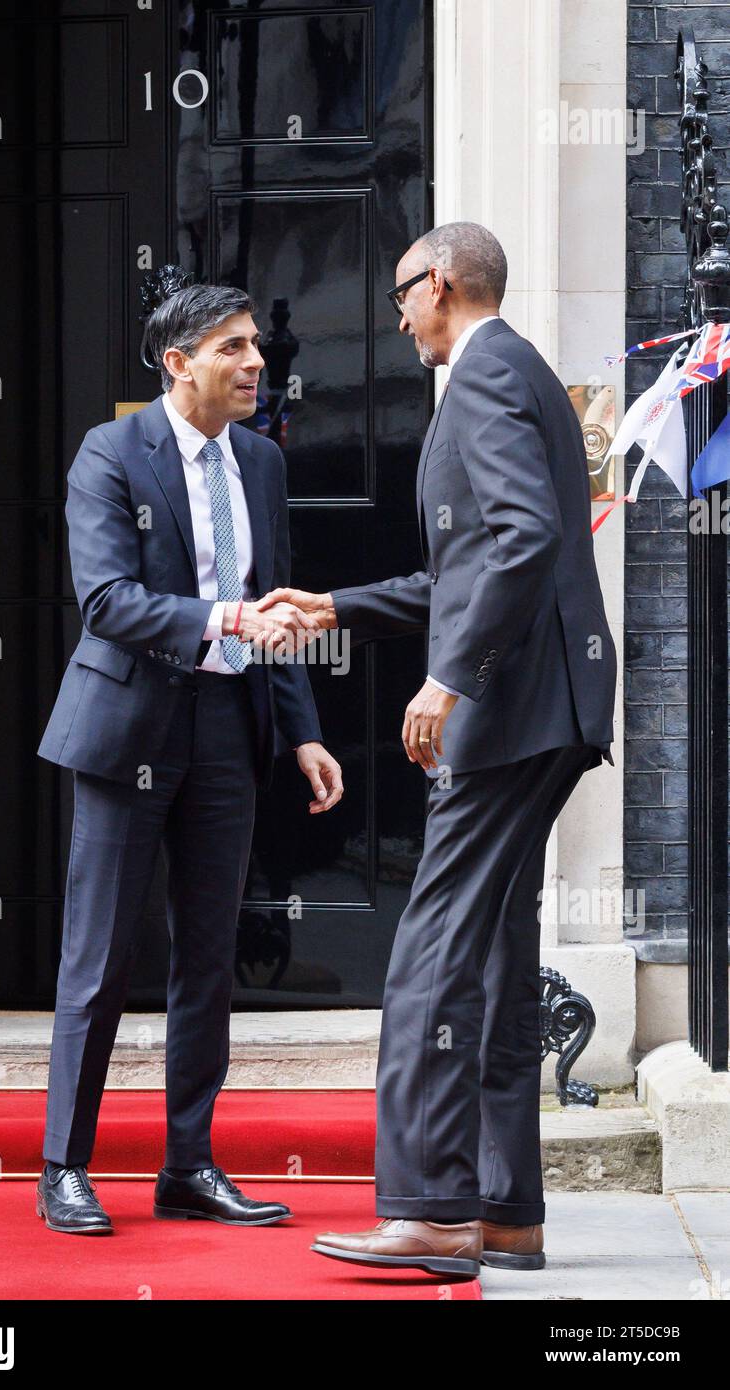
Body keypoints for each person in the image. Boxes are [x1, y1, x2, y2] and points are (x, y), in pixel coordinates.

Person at [259, 222, 616, 1278]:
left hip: (506, 714)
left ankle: (429, 1207)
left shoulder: (487, 373)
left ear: (445, 283)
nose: (398, 313)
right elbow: (470, 568)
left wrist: (448, 678)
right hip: (542, 706)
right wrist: (338, 601)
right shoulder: (506, 372)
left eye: (404, 293)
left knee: (429, 953)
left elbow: (523, 539)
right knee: (498, 952)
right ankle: (506, 1209)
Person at [35, 269, 343, 1234]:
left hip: (227, 728)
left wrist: (302, 734)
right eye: (233, 349)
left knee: (207, 959)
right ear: (178, 365)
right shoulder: (110, 452)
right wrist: (219, 616)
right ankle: (63, 1168)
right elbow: (106, 602)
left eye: (255, 345)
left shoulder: (262, 462)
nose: (257, 362)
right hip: (129, 726)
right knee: (99, 959)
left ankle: (189, 1166)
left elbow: (278, 605)